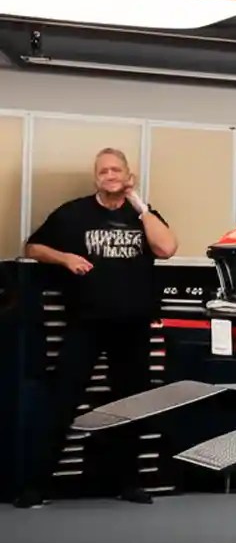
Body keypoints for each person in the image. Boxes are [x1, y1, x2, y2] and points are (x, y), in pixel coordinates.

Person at [13, 147, 178, 508]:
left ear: (128, 175)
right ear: (96, 177)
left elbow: (166, 249)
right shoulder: (73, 214)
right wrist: (65, 257)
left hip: (133, 328)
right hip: (85, 325)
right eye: (103, 171)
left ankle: (129, 482)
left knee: (131, 405)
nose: (109, 175)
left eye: (116, 170)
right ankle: (36, 485)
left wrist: (139, 203)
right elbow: (33, 246)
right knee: (61, 403)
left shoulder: (144, 215)